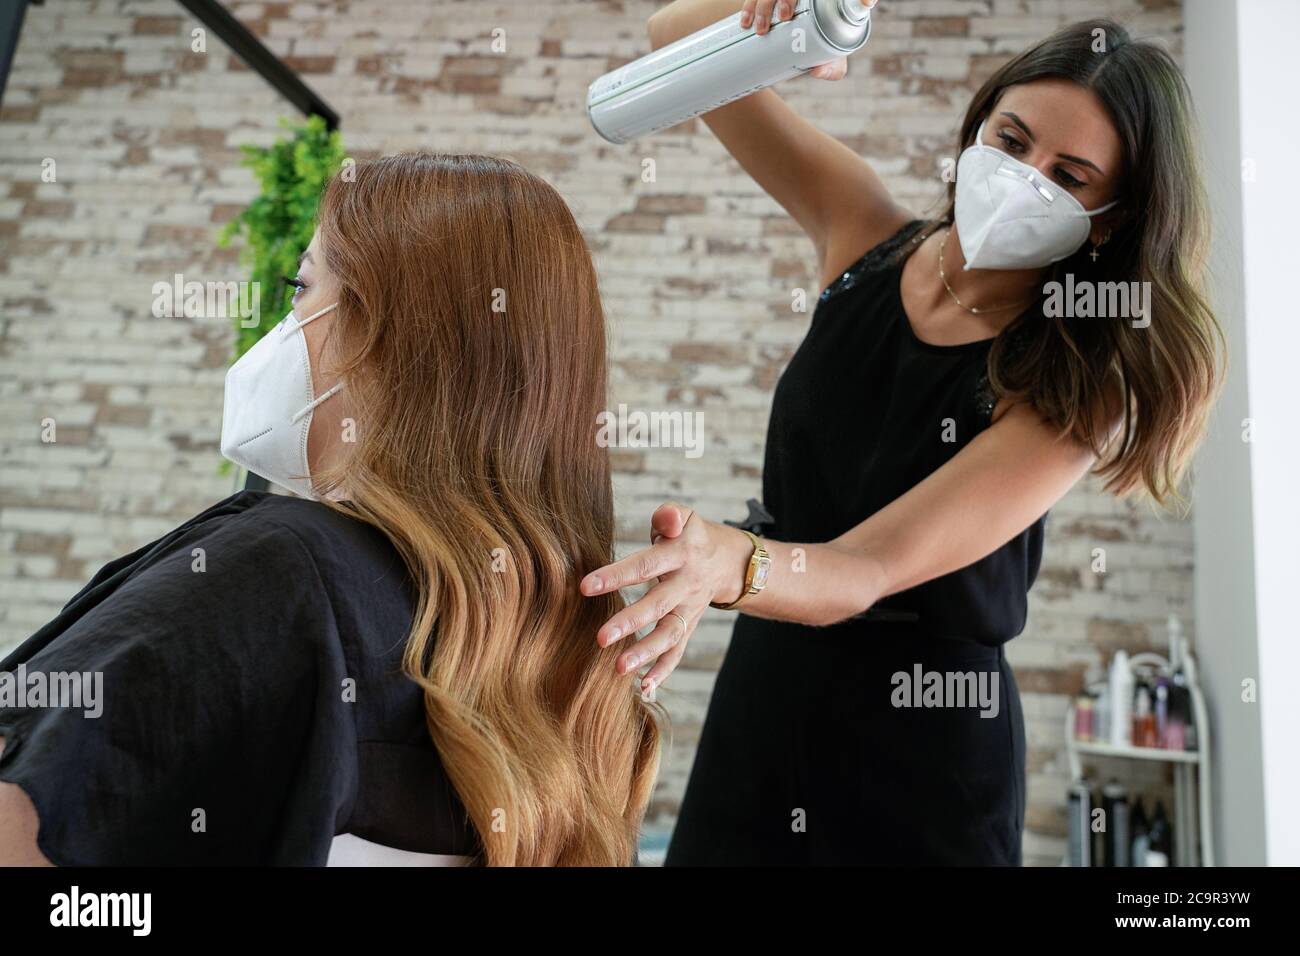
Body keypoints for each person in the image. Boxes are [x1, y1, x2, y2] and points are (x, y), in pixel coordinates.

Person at [580, 0, 1225, 864]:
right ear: (977, 126)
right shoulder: (864, 232)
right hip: (768, 697)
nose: (1025, 174)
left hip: (924, 750)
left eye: (1069, 177)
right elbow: (671, 39)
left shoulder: (1075, 385)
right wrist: (791, 20)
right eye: (1011, 139)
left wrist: (725, 561)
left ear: (1108, 220)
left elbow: (863, 569)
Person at [0, 153, 662, 866]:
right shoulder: (567, 684)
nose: (285, 326)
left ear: (390, 344)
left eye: (302, 287)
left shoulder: (284, 569)